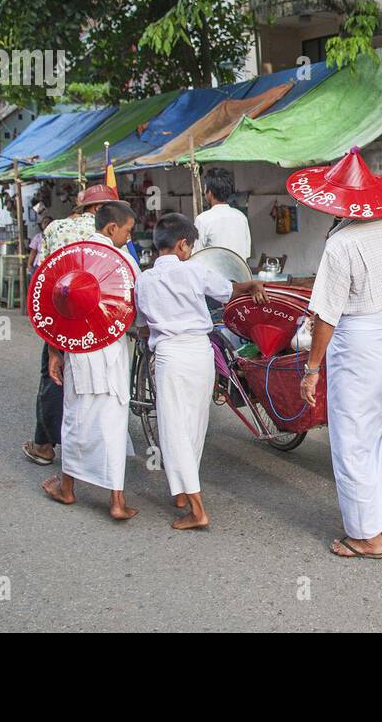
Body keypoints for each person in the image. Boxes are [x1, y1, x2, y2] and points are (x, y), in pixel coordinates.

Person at [291, 148, 382, 559]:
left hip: (360, 342)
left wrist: (312, 368)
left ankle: (366, 534)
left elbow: (325, 314)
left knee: (352, 439)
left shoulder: (341, 244)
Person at [135, 212, 267, 530]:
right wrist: (253, 284)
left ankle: (195, 507)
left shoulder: (144, 280)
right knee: (194, 424)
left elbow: (141, 328)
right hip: (200, 354)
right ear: (183, 245)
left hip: (170, 356)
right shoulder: (194, 271)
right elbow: (231, 289)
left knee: (174, 428)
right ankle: (182, 493)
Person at [40, 200, 141, 520]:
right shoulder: (124, 262)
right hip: (112, 353)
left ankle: (67, 488)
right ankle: (116, 500)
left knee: (77, 420)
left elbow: (51, 308)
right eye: (127, 231)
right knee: (112, 423)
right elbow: (137, 309)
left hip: (80, 351)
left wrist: (54, 351)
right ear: (112, 228)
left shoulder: (73, 257)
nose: (129, 237)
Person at [23, 184, 122, 467]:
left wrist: (50, 335)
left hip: (63, 315)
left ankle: (44, 445)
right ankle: (100, 445)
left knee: (53, 375)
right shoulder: (114, 232)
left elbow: (43, 276)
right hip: (103, 319)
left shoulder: (55, 229)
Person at [195, 168, 251, 261]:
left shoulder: (202, 220)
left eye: (205, 189)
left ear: (210, 193)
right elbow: (245, 253)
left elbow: (196, 255)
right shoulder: (241, 217)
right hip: (239, 274)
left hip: (213, 274)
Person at [25, 217, 52, 290]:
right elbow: (33, 252)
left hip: (51, 264)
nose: (47, 224)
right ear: (41, 225)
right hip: (38, 264)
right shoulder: (38, 237)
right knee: (36, 285)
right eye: (45, 222)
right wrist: (29, 264)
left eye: (49, 222)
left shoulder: (54, 236)